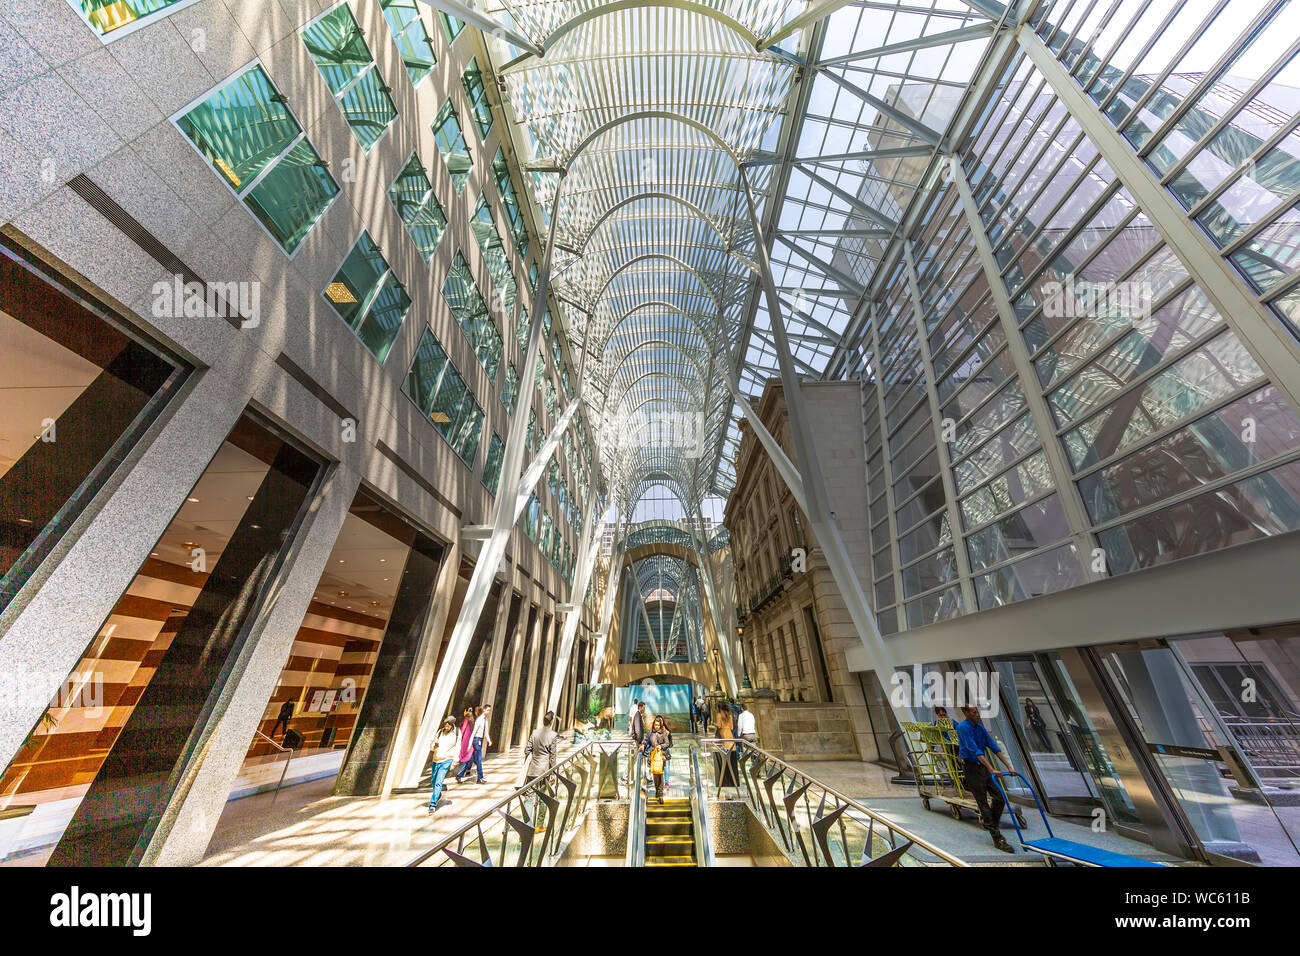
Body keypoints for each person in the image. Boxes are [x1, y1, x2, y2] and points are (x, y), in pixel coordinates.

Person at [956, 705, 1016, 853]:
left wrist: (1009, 766)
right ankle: (997, 838)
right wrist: (991, 768)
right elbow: (974, 750)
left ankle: (992, 825)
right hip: (972, 768)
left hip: (982, 767)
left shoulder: (979, 727)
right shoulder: (963, 728)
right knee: (982, 802)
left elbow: (993, 747)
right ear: (966, 713)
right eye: (974, 712)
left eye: (977, 712)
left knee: (1000, 797)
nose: (977, 715)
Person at [426, 717, 460, 813]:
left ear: (452, 724)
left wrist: (454, 762)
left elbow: (458, 747)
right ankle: (438, 794)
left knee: (438, 782)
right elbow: (432, 745)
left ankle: (432, 805)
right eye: (445, 724)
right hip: (436, 759)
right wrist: (433, 746)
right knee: (433, 781)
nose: (446, 726)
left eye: (448, 724)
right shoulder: (440, 732)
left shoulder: (457, 733)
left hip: (446, 760)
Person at [456, 704, 492, 784]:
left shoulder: (485, 719)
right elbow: (473, 733)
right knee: (478, 760)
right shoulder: (479, 720)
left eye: (489, 710)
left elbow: (486, 731)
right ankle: (480, 778)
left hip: (480, 740)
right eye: (487, 710)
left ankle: (459, 775)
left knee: (470, 759)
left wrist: (489, 740)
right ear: (484, 710)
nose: (489, 712)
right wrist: (469, 744)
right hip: (476, 740)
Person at [647, 715, 671, 804]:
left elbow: (667, 743)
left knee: (660, 774)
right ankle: (657, 790)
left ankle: (660, 794)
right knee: (655, 774)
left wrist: (661, 746)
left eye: (658, 725)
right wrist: (642, 745)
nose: (656, 727)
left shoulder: (663, 734)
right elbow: (647, 741)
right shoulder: (651, 733)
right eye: (655, 725)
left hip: (661, 757)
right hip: (653, 756)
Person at [455, 707, 474, 775]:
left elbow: (463, 728)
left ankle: (461, 772)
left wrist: (459, 737)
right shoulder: (472, 719)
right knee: (469, 754)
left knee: (465, 754)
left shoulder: (466, 719)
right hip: (469, 738)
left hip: (465, 738)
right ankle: (467, 769)